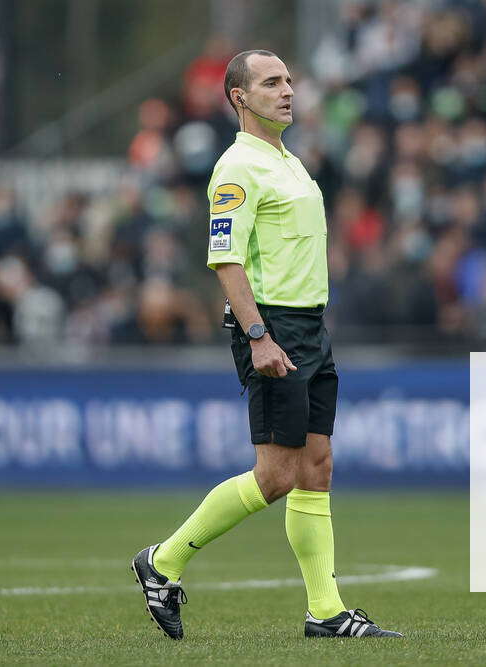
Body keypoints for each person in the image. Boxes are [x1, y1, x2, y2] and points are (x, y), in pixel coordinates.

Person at [131, 50, 402, 640]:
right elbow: (225, 258)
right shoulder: (236, 168)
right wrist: (258, 335)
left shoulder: (290, 161)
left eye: (289, 81)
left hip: (310, 326)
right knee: (276, 474)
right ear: (239, 96)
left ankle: (326, 612)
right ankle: (163, 561)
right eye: (271, 82)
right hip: (272, 326)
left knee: (317, 466)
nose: (287, 91)